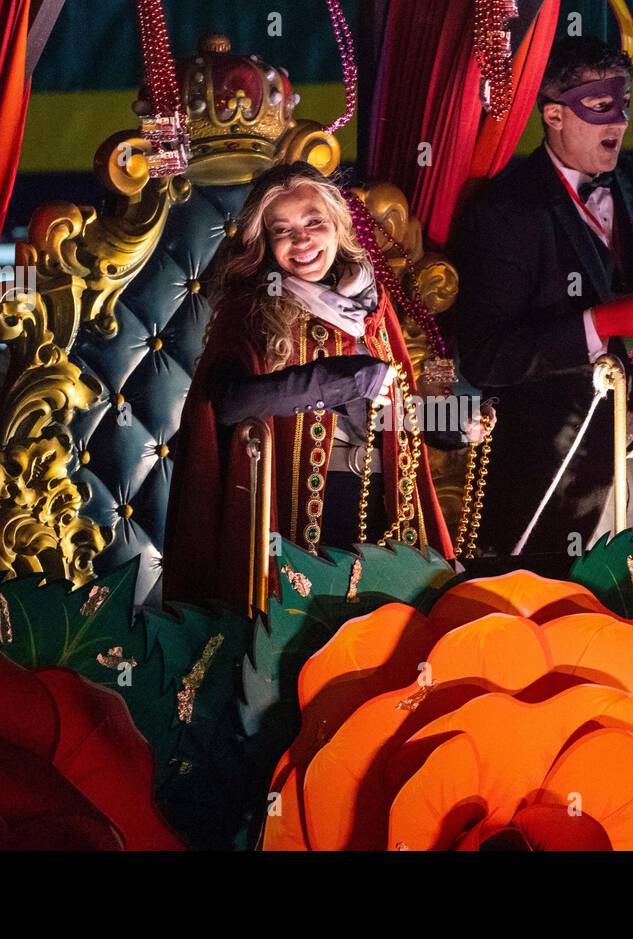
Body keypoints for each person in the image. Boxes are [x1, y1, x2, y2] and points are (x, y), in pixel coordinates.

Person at [164, 162, 485, 608]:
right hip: (300, 508)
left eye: (314, 222)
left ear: (338, 225)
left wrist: (455, 422)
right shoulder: (252, 309)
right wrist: (340, 382)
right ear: (266, 242)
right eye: (283, 229)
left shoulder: (373, 304)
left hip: (383, 499)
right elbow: (227, 403)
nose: (302, 240)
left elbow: (397, 407)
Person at [453, 36, 633, 555]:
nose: (618, 123)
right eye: (600, 108)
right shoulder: (507, 209)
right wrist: (599, 324)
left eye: (624, 106)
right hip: (554, 480)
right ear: (554, 115)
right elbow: (485, 358)